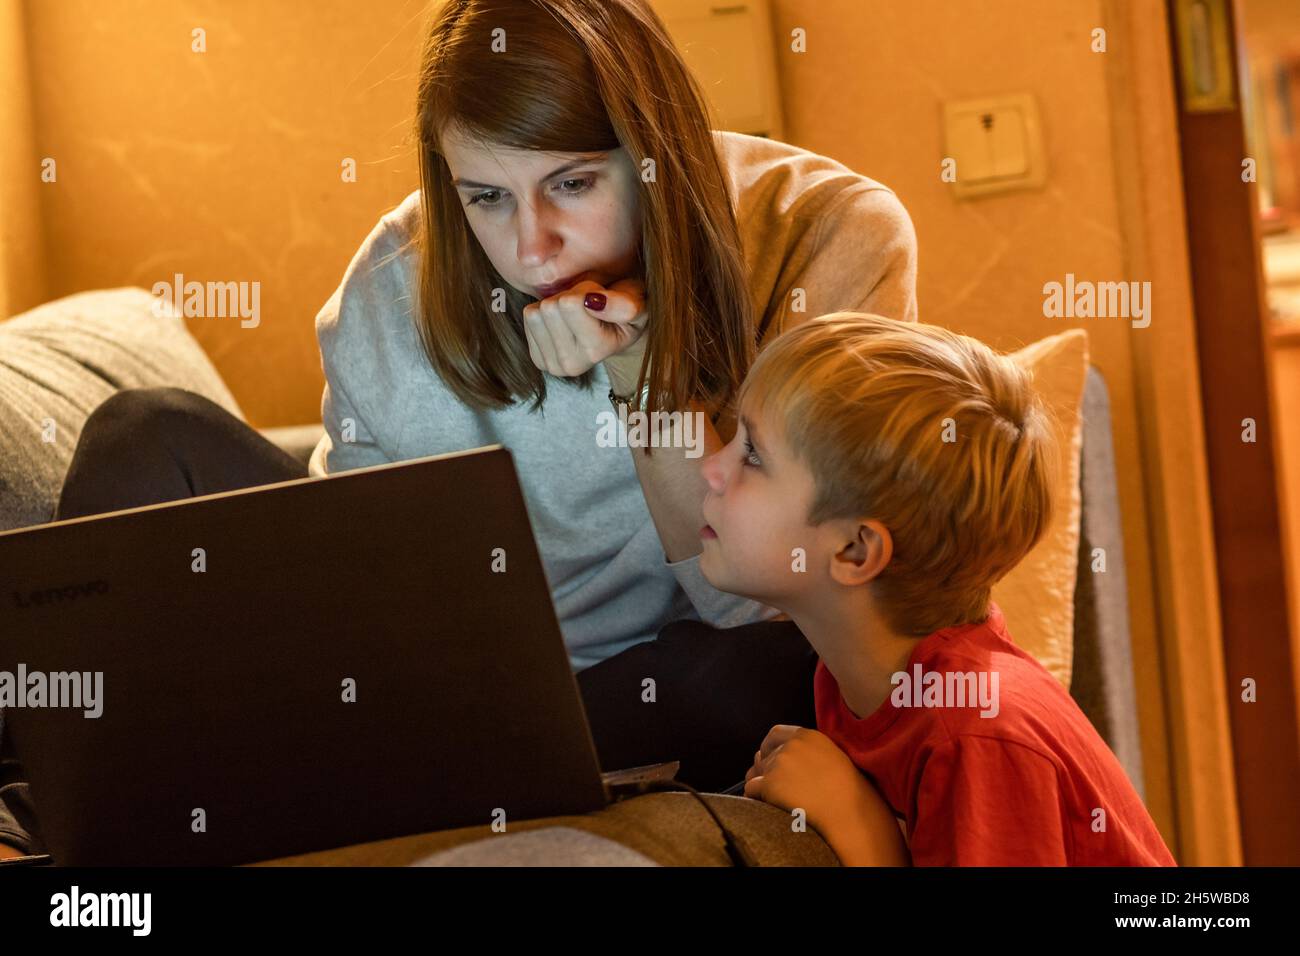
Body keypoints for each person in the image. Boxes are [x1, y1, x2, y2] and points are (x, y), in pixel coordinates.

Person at [0, 0, 916, 859]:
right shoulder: (391, 285)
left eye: (572, 182)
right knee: (143, 432)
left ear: (653, 156)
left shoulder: (829, 234)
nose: (531, 247)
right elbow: (344, 580)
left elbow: (759, 600)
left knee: (770, 669)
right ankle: (50, 811)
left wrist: (651, 384)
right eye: (486, 197)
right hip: (425, 701)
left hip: (662, 687)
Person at [700, 313, 1176, 866]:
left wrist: (864, 833)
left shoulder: (977, 735)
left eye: (753, 454)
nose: (713, 467)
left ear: (856, 551)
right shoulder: (857, 679)